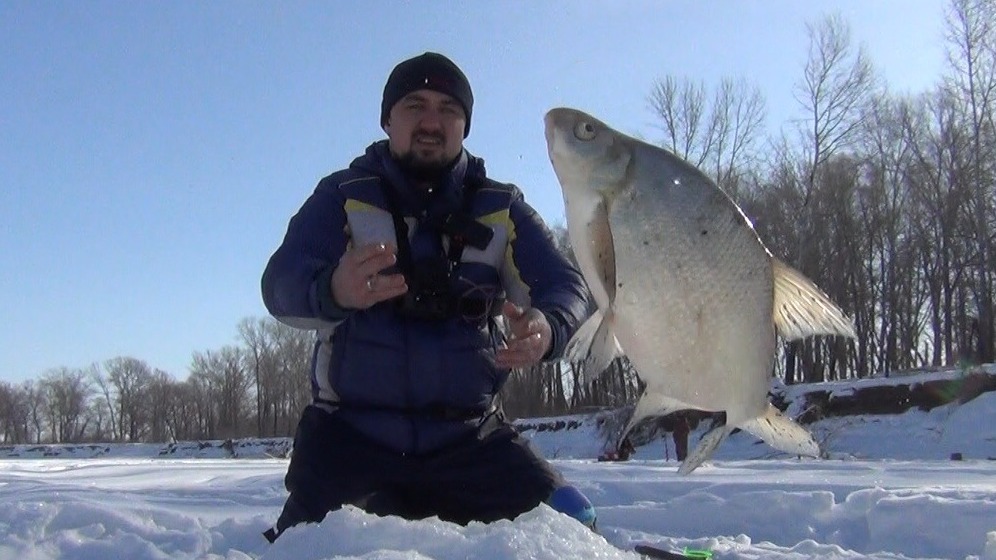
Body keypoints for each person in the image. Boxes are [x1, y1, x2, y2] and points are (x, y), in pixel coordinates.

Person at [260, 52, 596, 542]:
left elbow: (568, 287)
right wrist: (331, 289)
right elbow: (279, 283)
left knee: (572, 523)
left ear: (465, 125)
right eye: (414, 105)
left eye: (448, 109)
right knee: (305, 549)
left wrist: (549, 326)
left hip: (470, 441)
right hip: (351, 440)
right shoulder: (342, 195)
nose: (431, 122)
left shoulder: (501, 208)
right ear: (387, 119)